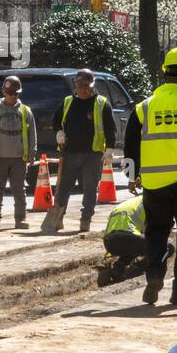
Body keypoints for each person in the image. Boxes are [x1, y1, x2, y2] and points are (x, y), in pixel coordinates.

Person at [124, 47, 177, 304]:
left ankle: (155, 274)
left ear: (164, 72)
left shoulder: (144, 108)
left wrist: (130, 176)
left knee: (157, 231)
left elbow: (130, 144)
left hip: (155, 183)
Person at [51, 69, 116, 234]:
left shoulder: (101, 104)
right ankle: (58, 218)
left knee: (89, 188)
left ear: (92, 86)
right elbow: (56, 120)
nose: (83, 90)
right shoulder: (67, 102)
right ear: (76, 86)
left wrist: (109, 148)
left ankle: (85, 219)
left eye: (86, 87)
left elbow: (110, 128)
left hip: (93, 153)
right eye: (80, 87)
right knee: (64, 187)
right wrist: (59, 132)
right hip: (70, 152)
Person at [0, 75, 37, 230]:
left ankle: (20, 219)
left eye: (15, 93)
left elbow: (32, 135)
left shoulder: (25, 111)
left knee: (19, 189)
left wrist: (32, 152)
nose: (12, 96)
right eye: (9, 92)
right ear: (3, 92)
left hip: (19, 158)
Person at [100, 195, 172, 284]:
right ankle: (134, 270)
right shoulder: (151, 203)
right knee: (167, 247)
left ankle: (117, 270)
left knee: (135, 245)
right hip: (128, 237)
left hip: (109, 242)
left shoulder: (131, 203)